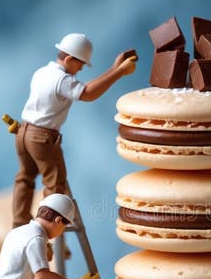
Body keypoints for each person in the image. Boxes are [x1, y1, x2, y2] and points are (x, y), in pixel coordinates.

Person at [12, 33, 136, 228]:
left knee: (25, 179)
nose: (80, 70)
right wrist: (119, 73)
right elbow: (87, 93)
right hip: (42, 137)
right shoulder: (62, 80)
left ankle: (19, 225)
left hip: (23, 133)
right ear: (69, 59)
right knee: (54, 187)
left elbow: (86, 86)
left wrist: (114, 68)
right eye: (80, 65)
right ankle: (46, 233)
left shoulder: (42, 72)